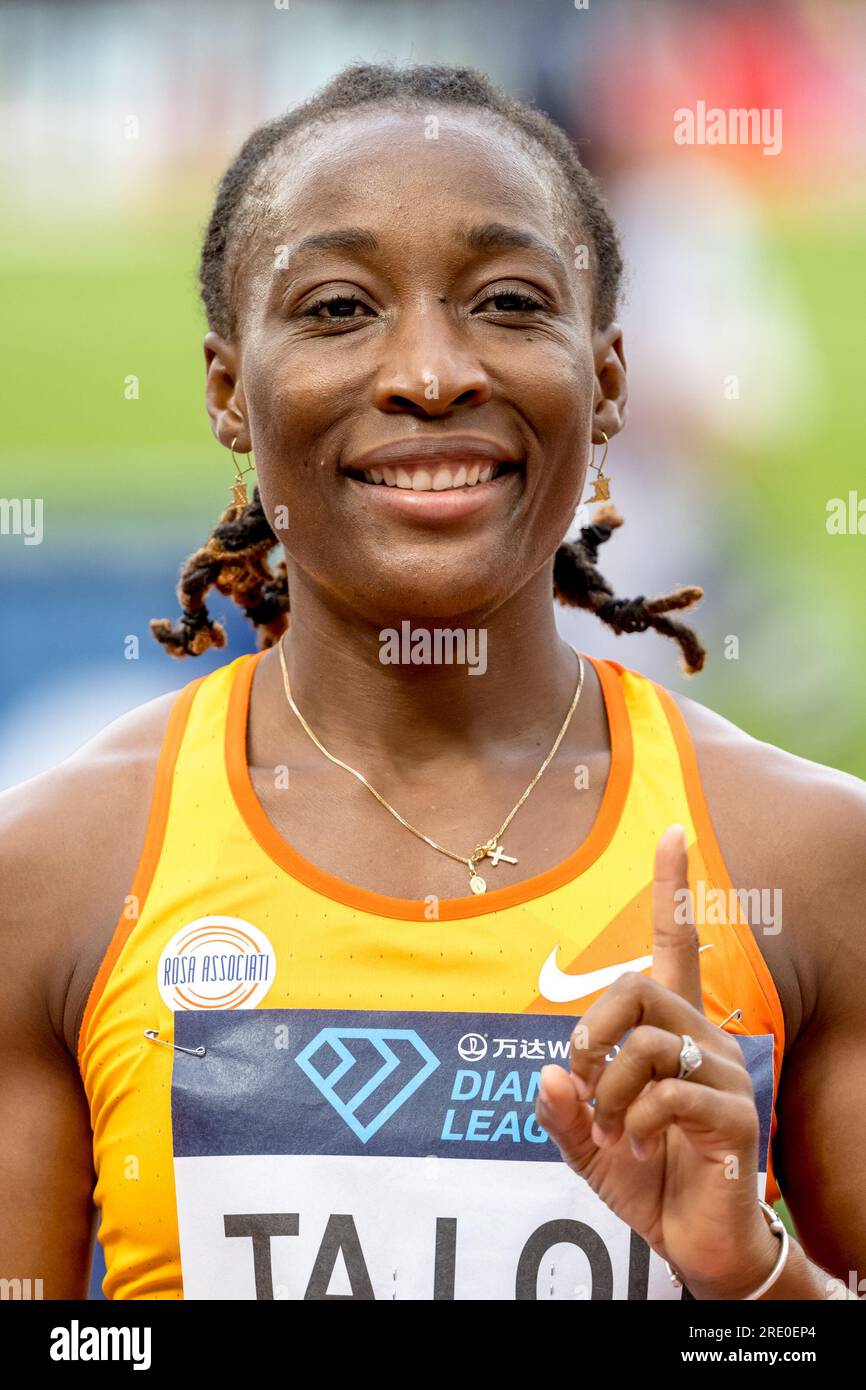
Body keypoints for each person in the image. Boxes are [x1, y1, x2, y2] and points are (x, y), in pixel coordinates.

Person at [2, 63, 864, 1302]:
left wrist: (756, 1282)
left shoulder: (812, 861)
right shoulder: (46, 880)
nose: (428, 371)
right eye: (340, 308)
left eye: (509, 301)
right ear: (226, 393)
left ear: (607, 376)